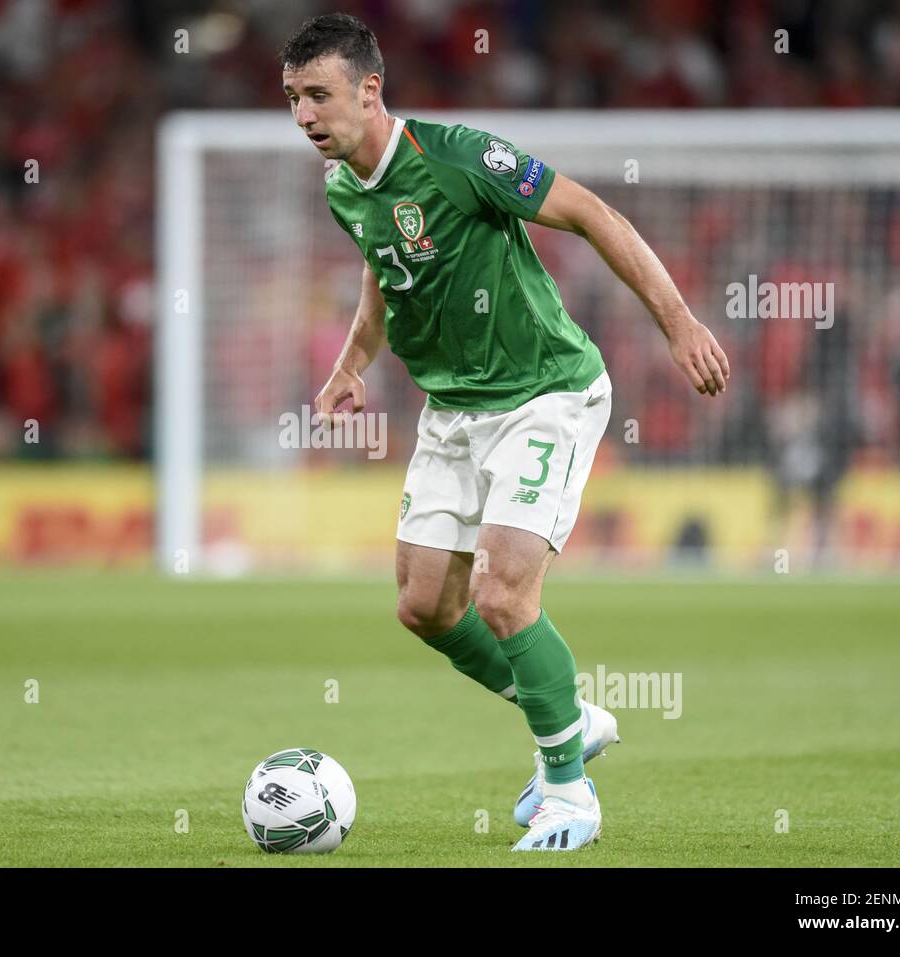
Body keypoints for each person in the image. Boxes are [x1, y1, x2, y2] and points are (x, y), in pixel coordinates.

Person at [280, 13, 729, 851]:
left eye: (318, 95)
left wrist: (680, 323)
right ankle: (567, 713)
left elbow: (592, 211)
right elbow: (387, 272)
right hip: (452, 408)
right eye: (293, 99)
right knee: (424, 606)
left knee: (502, 593)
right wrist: (351, 363)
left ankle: (569, 792)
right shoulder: (346, 188)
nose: (305, 116)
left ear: (370, 90)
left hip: (543, 395)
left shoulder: (457, 158)